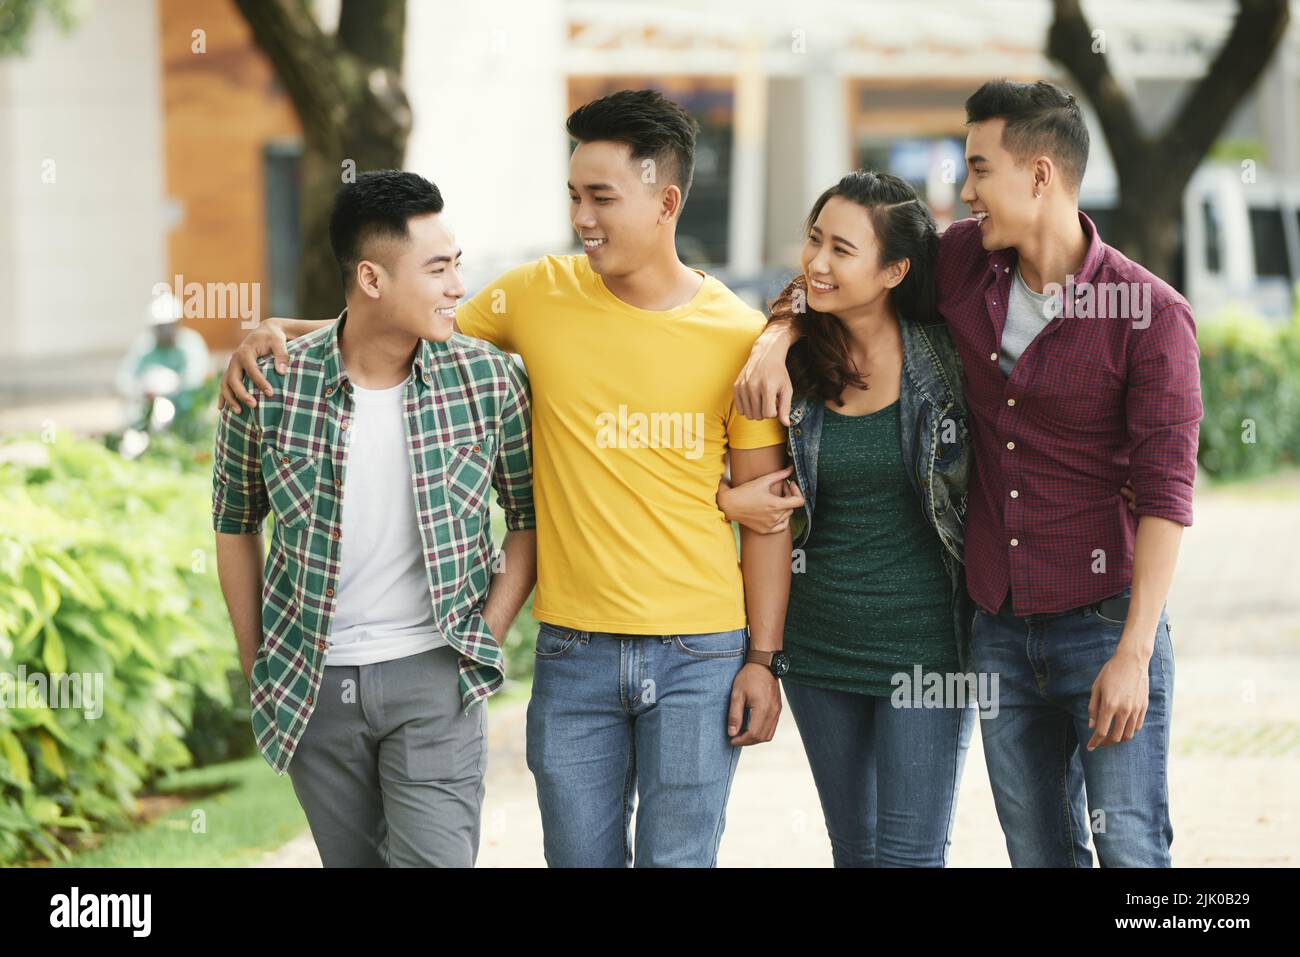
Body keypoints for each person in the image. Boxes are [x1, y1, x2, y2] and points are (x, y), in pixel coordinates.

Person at [216, 90, 792, 868]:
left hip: (700, 651)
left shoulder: (738, 335)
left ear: (666, 201)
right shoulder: (535, 294)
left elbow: (770, 515)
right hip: (573, 651)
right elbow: (396, 318)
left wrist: (761, 657)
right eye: (572, 196)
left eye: (601, 198)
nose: (581, 217)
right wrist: (278, 330)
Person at [732, 80, 1202, 867]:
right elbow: (839, 272)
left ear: (1041, 175)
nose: (965, 191)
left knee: (1131, 849)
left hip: (1104, 625)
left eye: (980, 170)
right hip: (998, 630)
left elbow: (1166, 498)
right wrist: (775, 337)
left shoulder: (1150, 316)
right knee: (1039, 851)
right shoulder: (962, 266)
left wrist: (1134, 651)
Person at [212, 170, 538, 867]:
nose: (457, 286)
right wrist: (256, 660)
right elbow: (235, 523)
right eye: (438, 268)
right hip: (315, 682)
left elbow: (528, 514)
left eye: (458, 265)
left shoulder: (487, 380)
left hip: (434, 674)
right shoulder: (268, 387)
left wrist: (486, 633)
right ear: (372, 278)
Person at [715, 171, 976, 866]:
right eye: (813, 240)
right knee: (854, 851)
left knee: (909, 856)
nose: (817, 262)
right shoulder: (793, 365)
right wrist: (777, 334)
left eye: (842, 248)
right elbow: (751, 495)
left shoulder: (947, 356)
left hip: (927, 649)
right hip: (819, 646)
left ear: (895, 269)